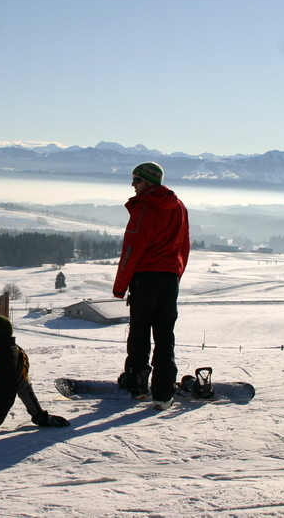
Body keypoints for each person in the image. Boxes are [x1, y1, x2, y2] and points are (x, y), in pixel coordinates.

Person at [112, 162, 190, 411]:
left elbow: (132, 249)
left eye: (137, 180)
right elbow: (184, 245)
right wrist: (176, 275)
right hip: (168, 279)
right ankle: (163, 394)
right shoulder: (178, 206)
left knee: (139, 334)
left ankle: (137, 388)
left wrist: (120, 286)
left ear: (149, 182)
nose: (132, 185)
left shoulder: (145, 207)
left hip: (145, 279)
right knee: (165, 337)